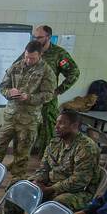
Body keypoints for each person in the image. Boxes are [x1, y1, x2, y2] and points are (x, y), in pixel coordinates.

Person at [7, 108, 99, 214]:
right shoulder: (55, 142)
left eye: (62, 123)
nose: (56, 126)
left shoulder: (86, 148)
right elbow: (44, 168)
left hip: (78, 191)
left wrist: (50, 189)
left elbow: (79, 181)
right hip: (50, 184)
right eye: (57, 122)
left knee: (57, 202)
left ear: (74, 126)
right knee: (16, 185)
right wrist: (38, 182)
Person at [0, 40, 55, 174]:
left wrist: (28, 97)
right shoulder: (16, 66)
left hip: (29, 120)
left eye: (32, 58)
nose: (28, 60)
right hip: (10, 117)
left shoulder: (46, 72)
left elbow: (48, 95)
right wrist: (9, 92)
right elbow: (3, 86)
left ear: (40, 55)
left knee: (22, 154)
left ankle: (15, 182)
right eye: (26, 56)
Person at [31, 25, 81, 153]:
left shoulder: (58, 54)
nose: (36, 40)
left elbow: (74, 73)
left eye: (39, 37)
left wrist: (59, 90)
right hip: (30, 100)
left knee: (47, 134)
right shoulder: (31, 50)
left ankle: (45, 163)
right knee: (26, 132)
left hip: (48, 101)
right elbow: (18, 67)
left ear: (48, 37)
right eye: (34, 37)